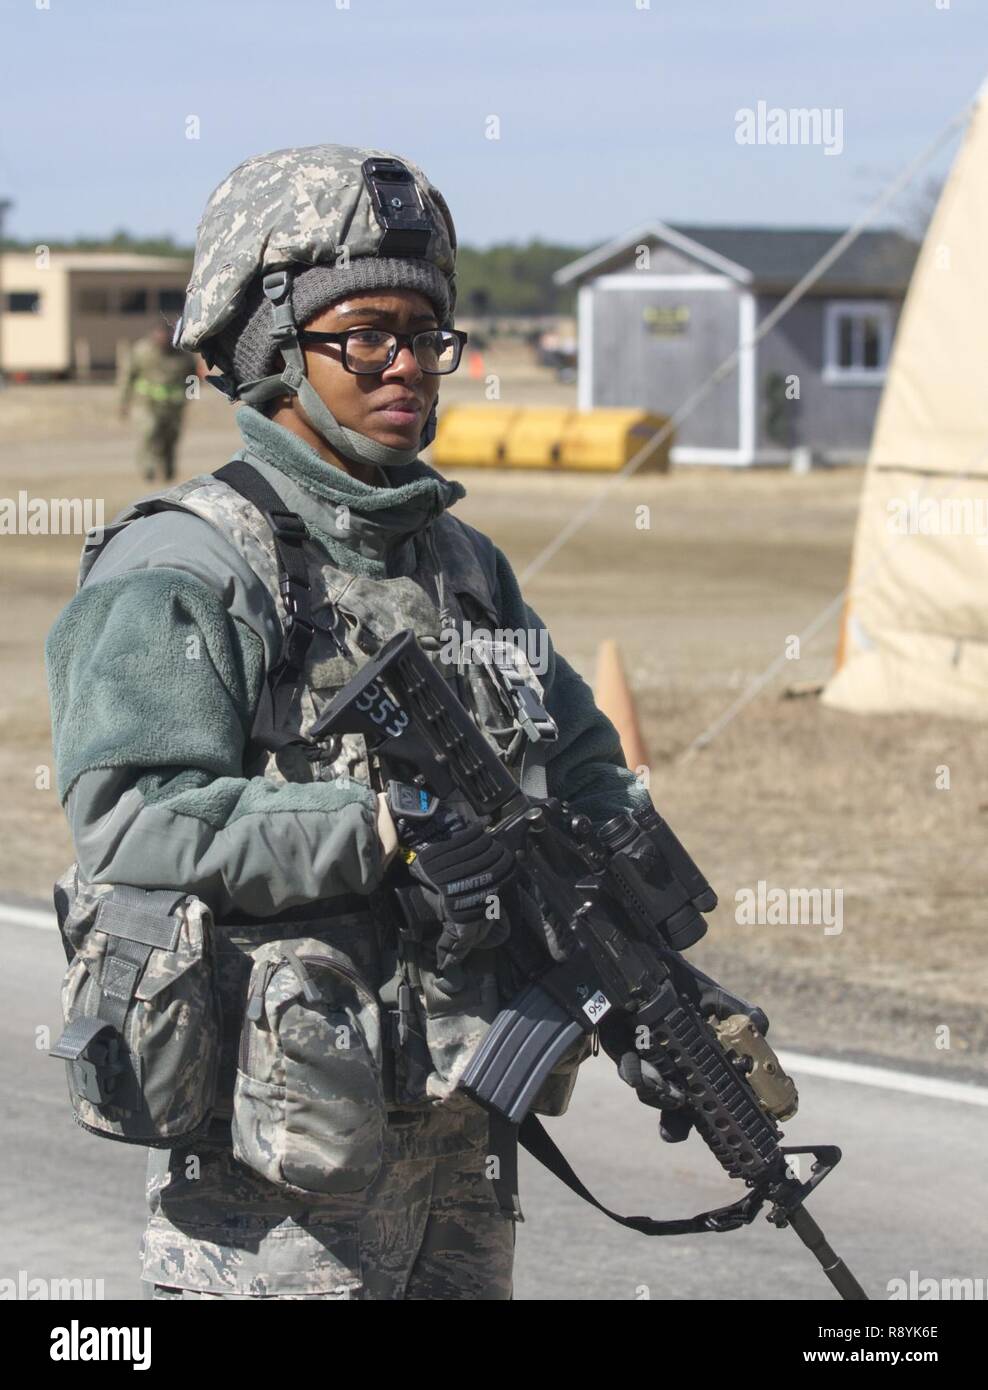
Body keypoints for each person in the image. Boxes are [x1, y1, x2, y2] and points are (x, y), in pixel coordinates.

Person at [45, 144, 651, 1301]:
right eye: (366, 333)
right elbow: (133, 821)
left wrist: (668, 982)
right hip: (281, 1194)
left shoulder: (465, 569)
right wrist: (378, 824)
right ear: (272, 349)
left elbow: (581, 772)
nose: (409, 366)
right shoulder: (187, 562)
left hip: (464, 1150)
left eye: (427, 337)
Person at [118, 322, 197, 481]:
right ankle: (148, 469)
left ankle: (168, 470)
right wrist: (123, 402)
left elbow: (193, 377)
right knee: (149, 432)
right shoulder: (141, 351)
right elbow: (127, 377)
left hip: (173, 406)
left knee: (170, 438)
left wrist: (190, 397)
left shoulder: (183, 355)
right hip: (147, 404)